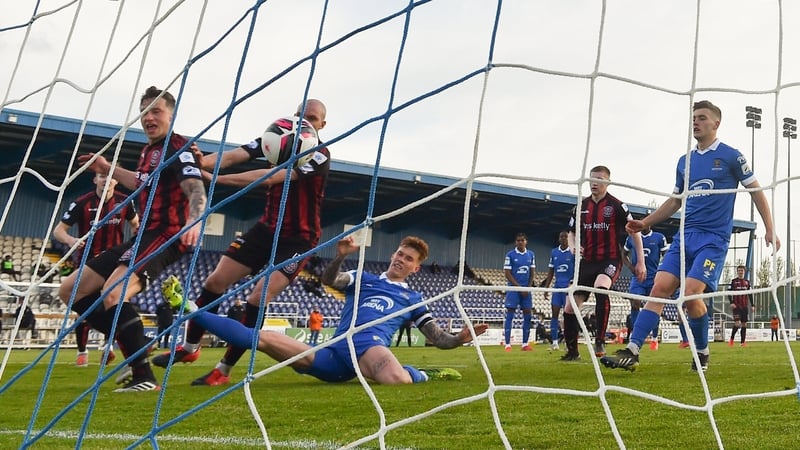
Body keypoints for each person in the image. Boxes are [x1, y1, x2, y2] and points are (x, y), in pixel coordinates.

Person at [153, 99, 331, 387]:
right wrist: (201, 162)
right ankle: (190, 347)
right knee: (214, 282)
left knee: (257, 298)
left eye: (311, 117)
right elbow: (236, 155)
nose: (304, 120)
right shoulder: (276, 137)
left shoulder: (319, 154)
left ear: (322, 124)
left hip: (299, 239)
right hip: (266, 229)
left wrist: (215, 179)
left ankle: (223, 369)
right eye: (300, 115)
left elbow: (271, 177)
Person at [601, 100, 780, 373]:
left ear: (716, 123)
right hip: (684, 238)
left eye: (702, 117)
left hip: (713, 240)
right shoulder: (685, 162)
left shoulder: (731, 156)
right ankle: (632, 351)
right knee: (659, 289)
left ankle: (702, 352)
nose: (696, 121)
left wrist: (769, 227)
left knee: (690, 294)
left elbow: (756, 191)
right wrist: (645, 223)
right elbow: (675, 201)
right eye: (694, 117)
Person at [162, 236, 488, 384]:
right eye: (400, 254)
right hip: (335, 353)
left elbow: (438, 338)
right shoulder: (363, 278)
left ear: (416, 268)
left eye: (409, 259)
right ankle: (188, 308)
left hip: (370, 347)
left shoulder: (414, 298)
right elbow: (331, 280)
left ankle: (421, 374)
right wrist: (341, 256)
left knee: (396, 380)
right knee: (262, 338)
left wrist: (460, 338)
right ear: (393, 255)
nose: (401, 260)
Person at [62, 86, 206, 392]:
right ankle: (136, 346)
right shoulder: (148, 151)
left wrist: (195, 218)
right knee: (70, 290)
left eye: (156, 111)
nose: (149, 117)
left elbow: (195, 187)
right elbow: (141, 181)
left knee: (113, 293)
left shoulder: (178, 147)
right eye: (144, 112)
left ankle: (144, 376)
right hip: (143, 235)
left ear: (171, 115)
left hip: (167, 234)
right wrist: (107, 168)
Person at [53, 172, 139, 367]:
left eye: (110, 176)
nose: (106, 180)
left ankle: (108, 348)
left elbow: (136, 224)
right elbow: (58, 231)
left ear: (116, 180)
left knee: (113, 303)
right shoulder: (82, 202)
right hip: (89, 262)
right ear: (95, 180)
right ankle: (82, 352)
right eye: (102, 176)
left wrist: (138, 235)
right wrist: (71, 240)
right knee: (85, 308)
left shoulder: (125, 201)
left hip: (116, 262)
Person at [561, 166, 646, 361]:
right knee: (570, 306)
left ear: (607, 182)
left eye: (599, 179)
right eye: (592, 179)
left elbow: (635, 232)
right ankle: (572, 352)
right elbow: (571, 232)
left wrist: (640, 261)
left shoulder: (617, 206)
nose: (594, 183)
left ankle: (600, 341)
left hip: (610, 259)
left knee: (601, 287)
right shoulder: (581, 206)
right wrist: (573, 246)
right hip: (587, 261)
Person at [623, 226, 669, 351]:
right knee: (635, 303)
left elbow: (666, 255)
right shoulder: (631, 238)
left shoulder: (659, 237)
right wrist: (631, 267)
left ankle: (654, 338)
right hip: (638, 277)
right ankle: (635, 335)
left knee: (655, 306)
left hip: (653, 277)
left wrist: (661, 269)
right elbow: (623, 254)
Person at [539, 231, 574, 351]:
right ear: (558, 239)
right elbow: (551, 271)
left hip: (568, 288)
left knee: (568, 316)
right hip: (557, 288)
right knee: (554, 314)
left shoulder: (573, 252)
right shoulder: (554, 252)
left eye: (565, 237)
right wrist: (546, 287)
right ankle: (554, 342)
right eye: (561, 237)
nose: (563, 238)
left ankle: (568, 343)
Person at [502, 232, 536, 352]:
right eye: (518, 240)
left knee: (528, 315)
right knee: (510, 315)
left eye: (522, 240)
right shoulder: (510, 255)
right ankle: (507, 344)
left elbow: (532, 273)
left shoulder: (531, 254)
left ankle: (525, 344)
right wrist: (519, 288)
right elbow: (507, 274)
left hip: (526, 290)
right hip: (513, 289)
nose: (520, 242)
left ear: (526, 241)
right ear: (515, 242)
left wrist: (528, 287)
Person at [727, 264, 754, 347]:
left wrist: (752, 305)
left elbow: (750, 294)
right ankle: (731, 339)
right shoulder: (733, 281)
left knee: (744, 324)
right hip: (736, 306)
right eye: (739, 271)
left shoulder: (747, 282)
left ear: (744, 272)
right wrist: (731, 302)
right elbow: (729, 292)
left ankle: (742, 342)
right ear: (737, 272)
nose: (740, 272)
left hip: (744, 306)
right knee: (737, 323)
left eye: (742, 271)